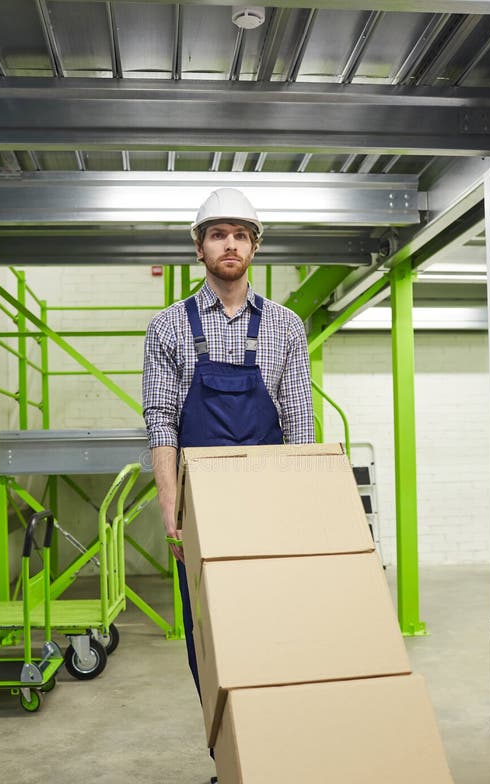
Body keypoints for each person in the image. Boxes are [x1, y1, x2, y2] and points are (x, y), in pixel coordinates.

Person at [142, 187, 314, 696]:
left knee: (273, 620)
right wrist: (170, 508)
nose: (230, 244)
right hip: (202, 511)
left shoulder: (286, 326)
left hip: (270, 503)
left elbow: (301, 421)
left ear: (255, 247)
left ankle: (272, 733)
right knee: (208, 628)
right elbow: (161, 420)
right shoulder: (167, 327)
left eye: (241, 235)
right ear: (200, 248)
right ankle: (229, 753)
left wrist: (305, 504)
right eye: (218, 235)